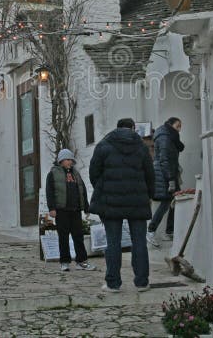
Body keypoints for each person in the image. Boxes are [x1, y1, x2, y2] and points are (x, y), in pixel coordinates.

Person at [89, 118, 155, 293]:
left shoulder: (104, 145)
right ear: (133, 128)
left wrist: (105, 188)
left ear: (117, 127)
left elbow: (94, 173)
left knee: (113, 242)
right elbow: (150, 174)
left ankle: (113, 283)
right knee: (139, 242)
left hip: (111, 201)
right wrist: (148, 195)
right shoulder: (142, 147)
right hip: (137, 201)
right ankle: (141, 282)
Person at [46, 149, 96, 272]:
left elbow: (82, 190)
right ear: (61, 161)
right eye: (67, 160)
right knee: (63, 237)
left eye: (71, 160)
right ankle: (64, 262)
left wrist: (86, 207)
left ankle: (81, 261)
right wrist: (52, 208)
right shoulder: (53, 174)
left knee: (78, 236)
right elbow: (50, 192)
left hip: (75, 210)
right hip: (61, 210)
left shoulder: (76, 174)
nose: (70, 162)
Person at [147, 117, 185, 248]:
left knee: (173, 200)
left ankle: (169, 231)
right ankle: (151, 231)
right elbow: (164, 159)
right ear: (170, 124)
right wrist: (170, 179)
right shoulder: (164, 136)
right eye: (178, 125)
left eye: (181, 126)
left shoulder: (170, 136)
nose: (179, 129)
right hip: (164, 173)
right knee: (166, 202)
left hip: (169, 172)